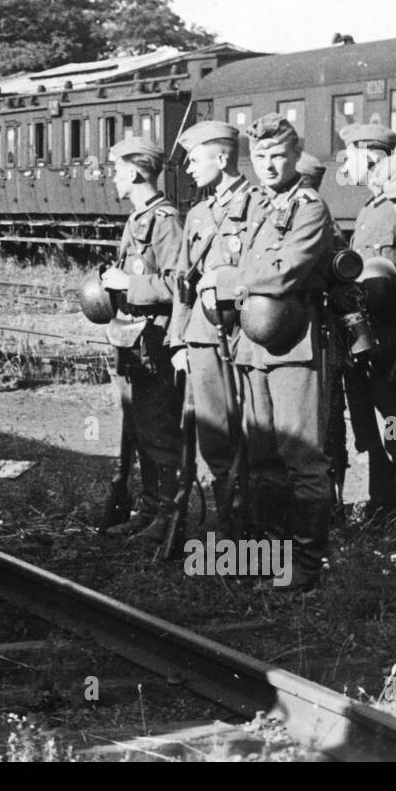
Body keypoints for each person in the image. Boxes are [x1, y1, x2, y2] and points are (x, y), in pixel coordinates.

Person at [205, 114, 335, 592]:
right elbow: (232, 256)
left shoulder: (309, 206)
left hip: (294, 342)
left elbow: (284, 271)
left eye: (278, 156)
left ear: (294, 156)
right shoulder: (258, 203)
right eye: (260, 157)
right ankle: (269, 555)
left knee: (301, 456)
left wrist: (229, 281)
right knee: (262, 456)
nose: (269, 166)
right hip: (252, 344)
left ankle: (305, 567)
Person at [166, 120, 269, 532]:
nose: (189, 168)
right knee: (214, 435)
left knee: (258, 435)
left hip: (250, 335)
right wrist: (177, 339)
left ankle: (261, 529)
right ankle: (231, 528)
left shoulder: (260, 205)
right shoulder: (198, 214)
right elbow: (182, 283)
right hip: (203, 338)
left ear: (222, 158)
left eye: (194, 159)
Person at [98, 137, 184, 543]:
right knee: (139, 427)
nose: (112, 177)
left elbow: (177, 285)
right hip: (133, 342)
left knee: (158, 429)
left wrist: (127, 283)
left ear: (134, 173)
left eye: (116, 169)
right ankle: (150, 510)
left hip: (156, 344)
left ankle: (169, 517)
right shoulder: (138, 219)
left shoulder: (165, 221)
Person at [338, 123, 396, 523]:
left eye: (350, 155)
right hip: (366, 342)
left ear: (371, 158)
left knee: (395, 429)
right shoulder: (370, 209)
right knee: (373, 429)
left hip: (391, 345)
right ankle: (382, 503)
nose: (344, 162)